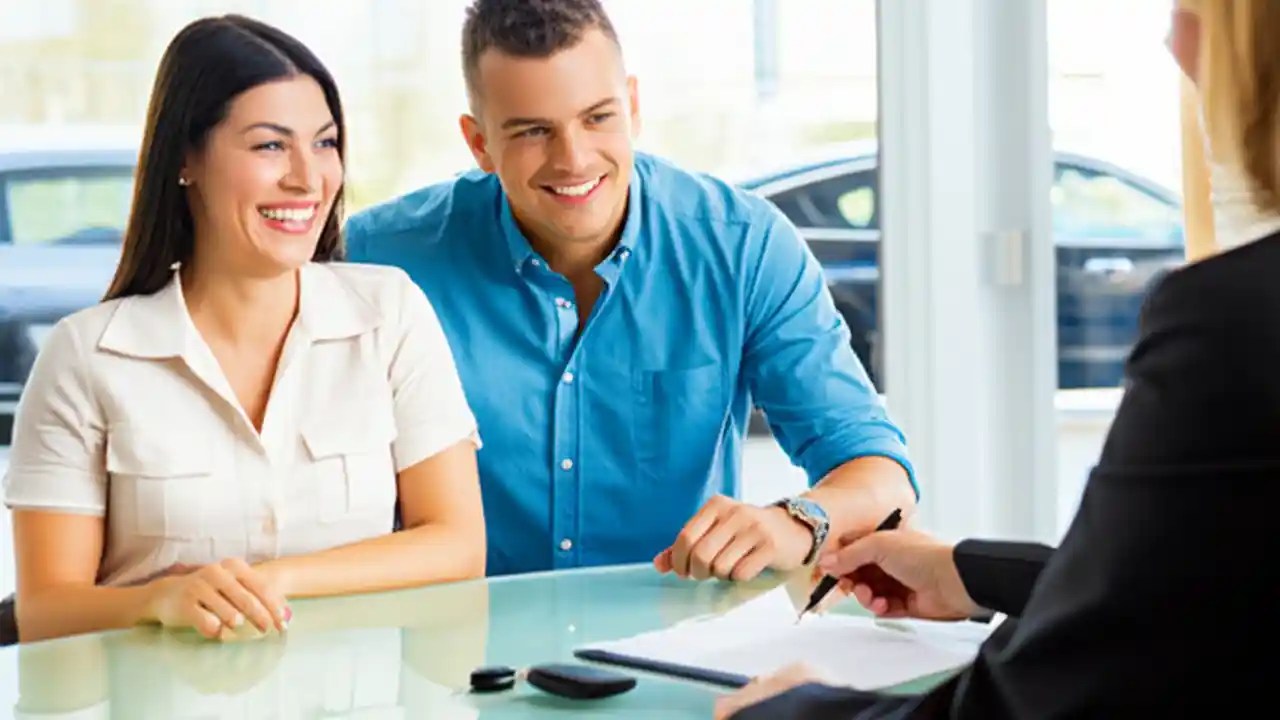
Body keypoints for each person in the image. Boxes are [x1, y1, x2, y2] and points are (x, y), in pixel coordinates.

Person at [715, 1, 1277, 717]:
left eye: (1198, 13)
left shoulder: (1237, 321)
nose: (1175, 44)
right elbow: (1188, 588)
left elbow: (1047, 695)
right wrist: (973, 574)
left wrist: (791, 711)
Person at [344, 0, 917, 580]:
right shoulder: (379, 258)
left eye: (597, 118)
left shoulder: (744, 247)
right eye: (533, 131)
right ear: (479, 144)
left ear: (634, 107)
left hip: (678, 642)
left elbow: (880, 474)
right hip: (456, 652)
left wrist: (796, 522)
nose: (574, 159)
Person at [1, 14, 485, 644]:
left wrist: (268, 582)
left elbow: (457, 546)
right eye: (269, 145)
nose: (308, 179)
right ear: (185, 159)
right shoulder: (87, 356)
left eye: (325, 143)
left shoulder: (389, 313)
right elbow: (44, 610)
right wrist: (161, 600)